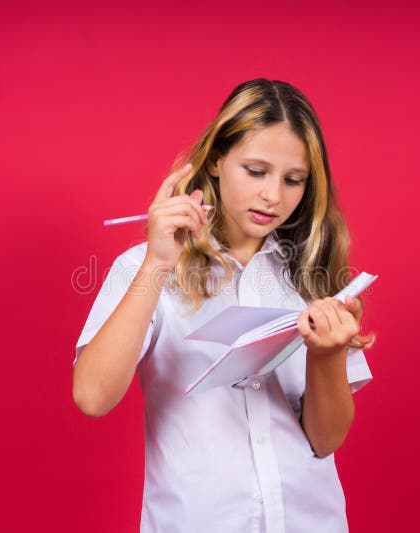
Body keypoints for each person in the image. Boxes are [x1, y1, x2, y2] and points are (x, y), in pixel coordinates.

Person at [72, 78, 376, 533]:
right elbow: (92, 397)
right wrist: (157, 263)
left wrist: (327, 354)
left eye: (293, 180)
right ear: (215, 159)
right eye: (256, 171)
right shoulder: (144, 267)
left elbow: (325, 439)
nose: (273, 195)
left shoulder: (311, 272)